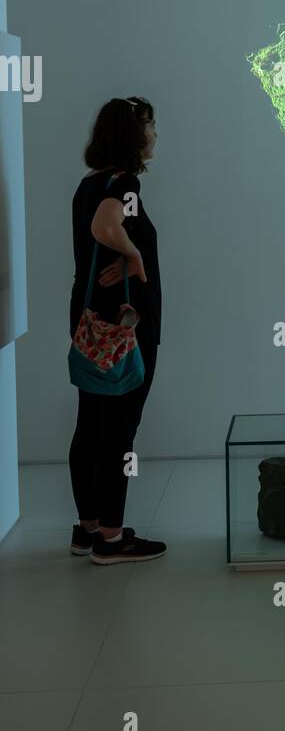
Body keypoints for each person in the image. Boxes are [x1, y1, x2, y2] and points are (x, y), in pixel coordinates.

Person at [68, 97, 166, 564]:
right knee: (119, 431)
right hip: (123, 324)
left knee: (90, 423)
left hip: (89, 318)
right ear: (133, 135)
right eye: (149, 127)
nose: (154, 136)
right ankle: (111, 537)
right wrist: (136, 256)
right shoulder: (124, 184)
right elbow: (106, 226)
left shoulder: (90, 183)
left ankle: (87, 528)